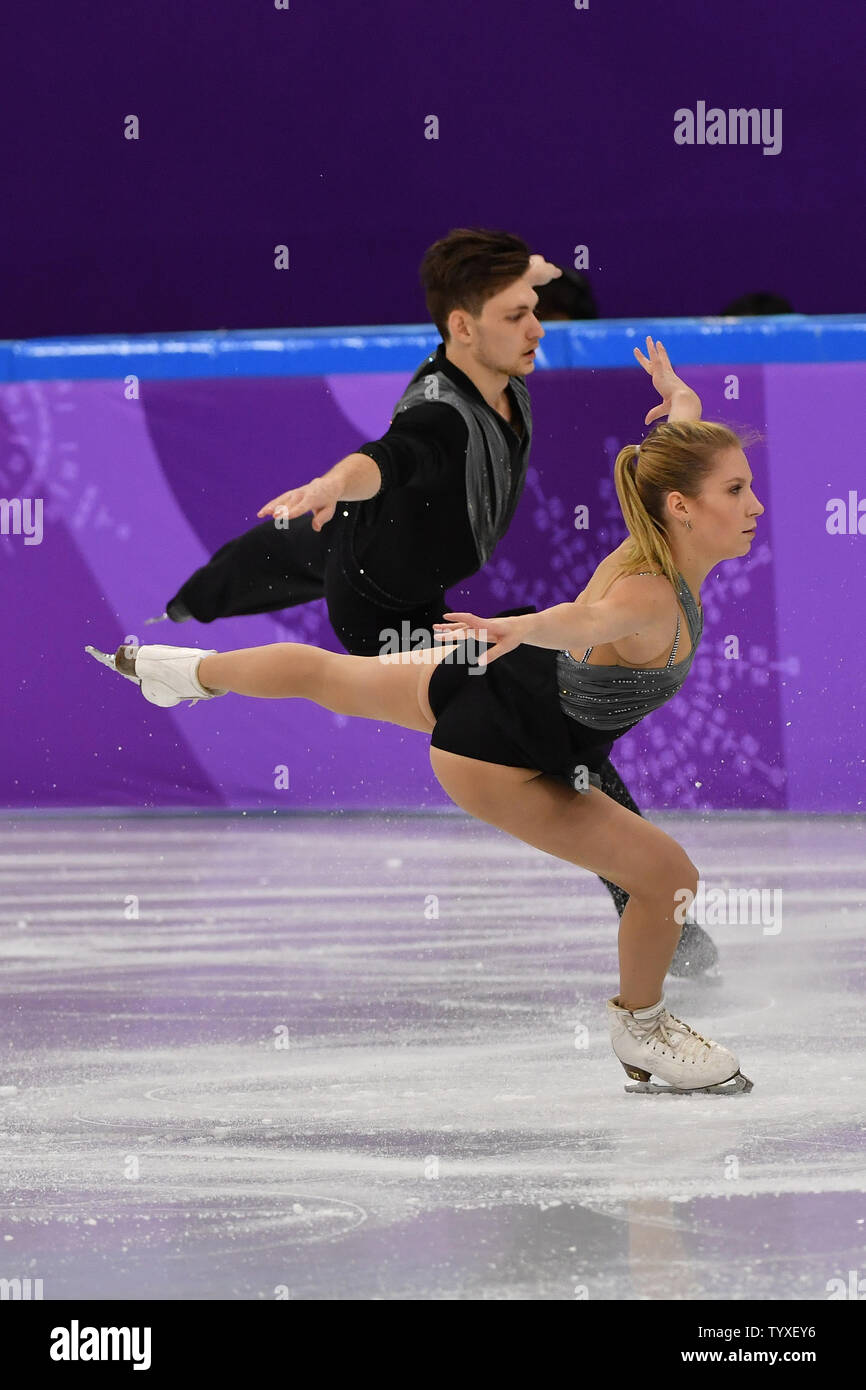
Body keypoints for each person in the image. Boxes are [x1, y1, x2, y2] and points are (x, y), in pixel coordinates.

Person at [87, 341, 760, 1094]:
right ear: (682, 507)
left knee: (329, 674)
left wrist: (679, 401)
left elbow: (667, 457)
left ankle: (172, 671)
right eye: (736, 490)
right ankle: (643, 1031)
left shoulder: (660, 526)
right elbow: (585, 618)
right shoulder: (650, 595)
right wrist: (524, 626)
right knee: (666, 875)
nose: (755, 505)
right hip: (498, 749)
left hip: (497, 679)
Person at [146, 226, 717, 977]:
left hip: (409, 559)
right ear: (461, 326)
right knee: (539, 706)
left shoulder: (491, 358)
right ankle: (646, 903)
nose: (537, 327)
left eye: (530, 307)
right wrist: (329, 485)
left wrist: (532, 272)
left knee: (295, 562)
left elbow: (508, 296)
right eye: (517, 313)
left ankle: (194, 625)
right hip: (387, 610)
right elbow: (387, 458)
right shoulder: (442, 416)